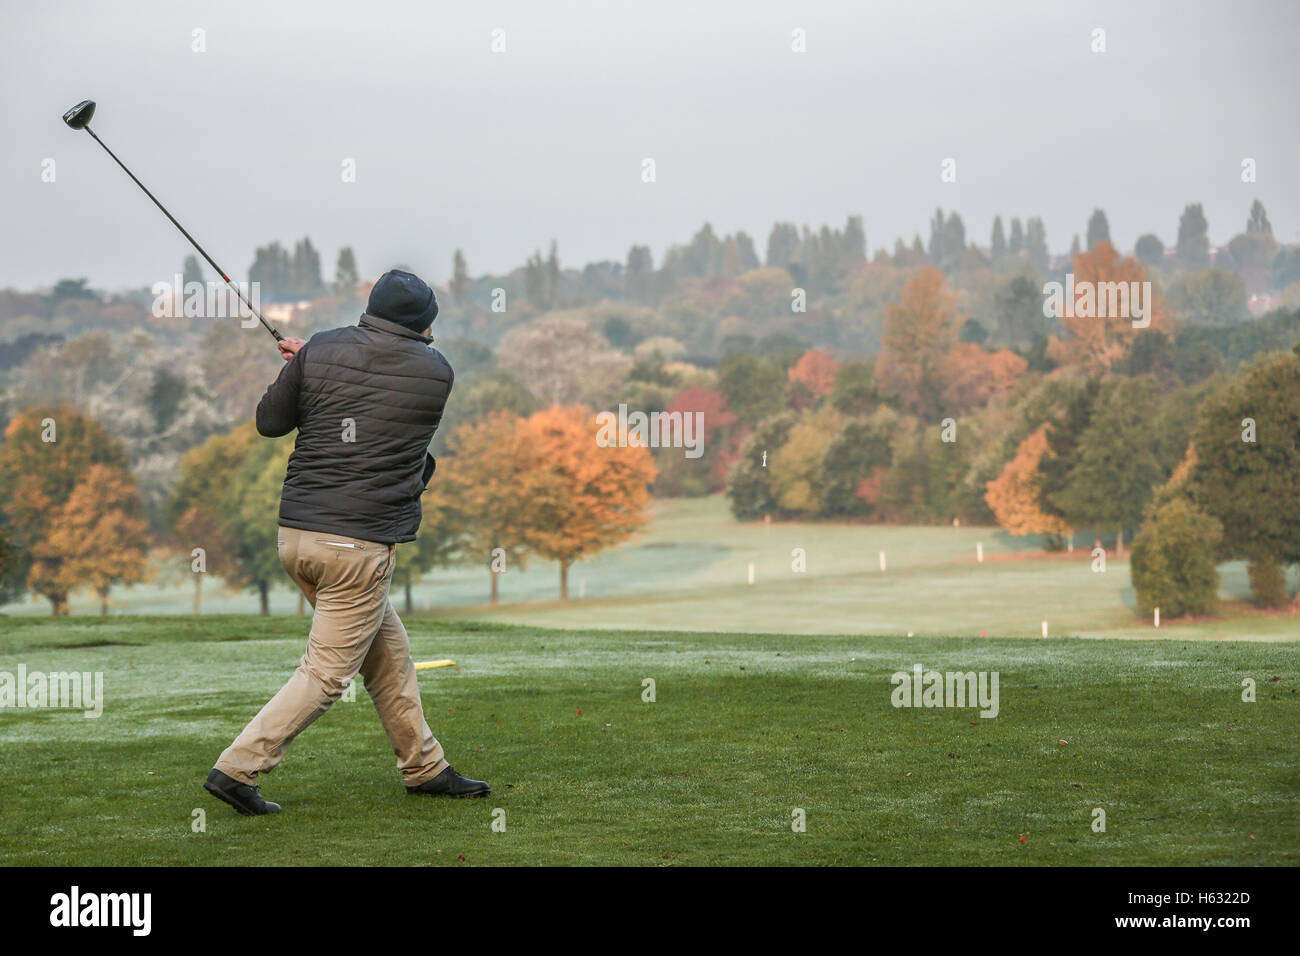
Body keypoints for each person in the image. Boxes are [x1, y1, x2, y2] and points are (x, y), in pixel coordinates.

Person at [203, 269, 488, 815]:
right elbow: (384, 399)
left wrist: (307, 366)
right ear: (425, 323)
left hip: (298, 538)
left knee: (389, 656)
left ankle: (425, 767)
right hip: (358, 549)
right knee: (327, 675)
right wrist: (315, 364)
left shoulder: (322, 352)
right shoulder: (436, 373)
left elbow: (270, 422)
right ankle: (238, 768)